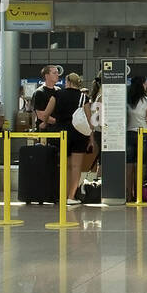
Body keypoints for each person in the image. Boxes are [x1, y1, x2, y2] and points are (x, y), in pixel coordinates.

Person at [53, 71, 92, 204]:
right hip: (79, 134)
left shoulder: (57, 94)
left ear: (67, 82)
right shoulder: (83, 97)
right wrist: (91, 138)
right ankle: (71, 197)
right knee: (76, 166)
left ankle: (62, 195)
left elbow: (47, 113)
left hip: (62, 134)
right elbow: (88, 119)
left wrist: (47, 122)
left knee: (64, 165)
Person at [125, 76, 147, 202]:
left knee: (129, 165)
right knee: (140, 165)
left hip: (129, 134)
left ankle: (128, 195)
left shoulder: (127, 100)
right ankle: (138, 195)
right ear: (142, 85)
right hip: (143, 134)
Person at [32, 65, 60, 131]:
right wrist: (58, 121)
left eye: (57, 73)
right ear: (46, 76)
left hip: (58, 130)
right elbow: (41, 115)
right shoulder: (39, 92)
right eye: (54, 73)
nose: (57, 75)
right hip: (45, 130)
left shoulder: (59, 90)